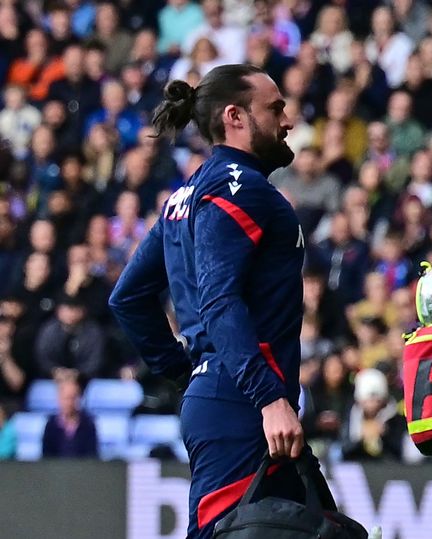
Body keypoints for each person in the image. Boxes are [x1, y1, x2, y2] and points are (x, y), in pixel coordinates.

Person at [108, 64, 323, 539]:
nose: (288, 121)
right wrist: (265, 398)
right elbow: (219, 299)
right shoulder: (239, 189)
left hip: (232, 399)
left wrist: (192, 372)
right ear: (235, 117)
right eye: (276, 109)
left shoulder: (184, 196)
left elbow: (129, 298)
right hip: (246, 408)